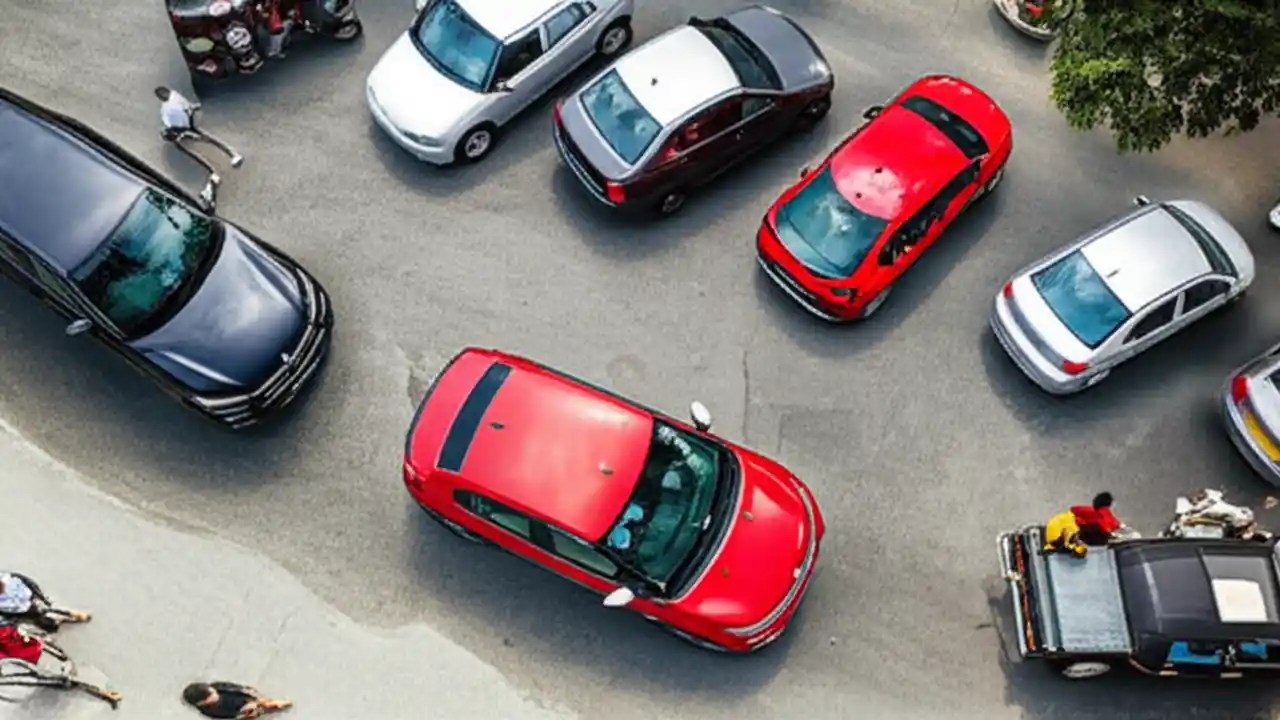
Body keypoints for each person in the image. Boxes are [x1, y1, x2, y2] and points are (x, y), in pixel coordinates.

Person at [155, 86, 243, 206]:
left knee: (198, 149)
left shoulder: (166, 109)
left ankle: (217, 170)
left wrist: (175, 131)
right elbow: (187, 106)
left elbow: (171, 123)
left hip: (183, 128)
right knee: (207, 138)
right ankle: (231, 154)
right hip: (189, 122)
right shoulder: (175, 96)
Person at [0, 572, 90, 632]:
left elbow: (28, 582)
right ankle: (59, 620)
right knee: (50, 625)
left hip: (32, 599)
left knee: (50, 608)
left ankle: (74, 615)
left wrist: (41, 596)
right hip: (25, 611)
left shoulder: (9, 579)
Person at [182, 681, 293, 719]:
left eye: (212, 691)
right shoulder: (211, 711)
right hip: (240, 709)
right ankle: (266, 708)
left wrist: (245, 690)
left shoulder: (216, 686)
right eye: (211, 695)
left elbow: (231, 687)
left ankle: (270, 704)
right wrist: (243, 712)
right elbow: (229, 715)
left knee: (259, 701)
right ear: (204, 702)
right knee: (257, 709)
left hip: (242, 698)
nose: (215, 693)